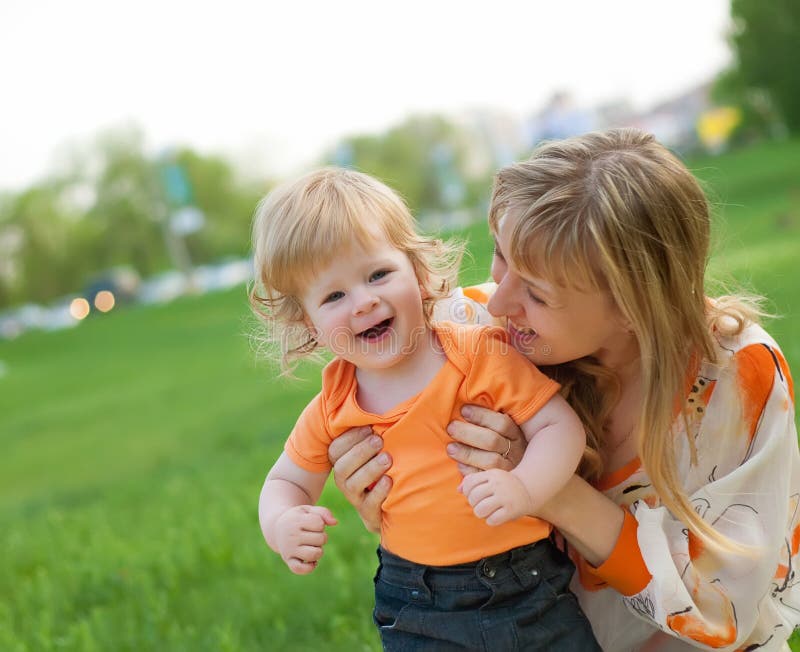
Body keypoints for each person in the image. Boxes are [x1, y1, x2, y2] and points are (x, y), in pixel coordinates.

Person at [329, 128, 800, 651]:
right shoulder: (466, 336)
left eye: (536, 292)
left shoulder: (734, 378)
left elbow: (724, 609)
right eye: (502, 256)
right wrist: (382, 491)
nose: (500, 302)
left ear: (632, 306)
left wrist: (549, 488)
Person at [251, 167, 601, 650]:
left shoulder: (478, 353)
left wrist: (524, 486)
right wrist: (281, 523)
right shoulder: (333, 404)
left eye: (378, 274)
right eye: (334, 295)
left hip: (522, 582)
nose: (363, 301)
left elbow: (559, 428)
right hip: (413, 599)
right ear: (307, 323)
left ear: (417, 273)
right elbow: (286, 482)